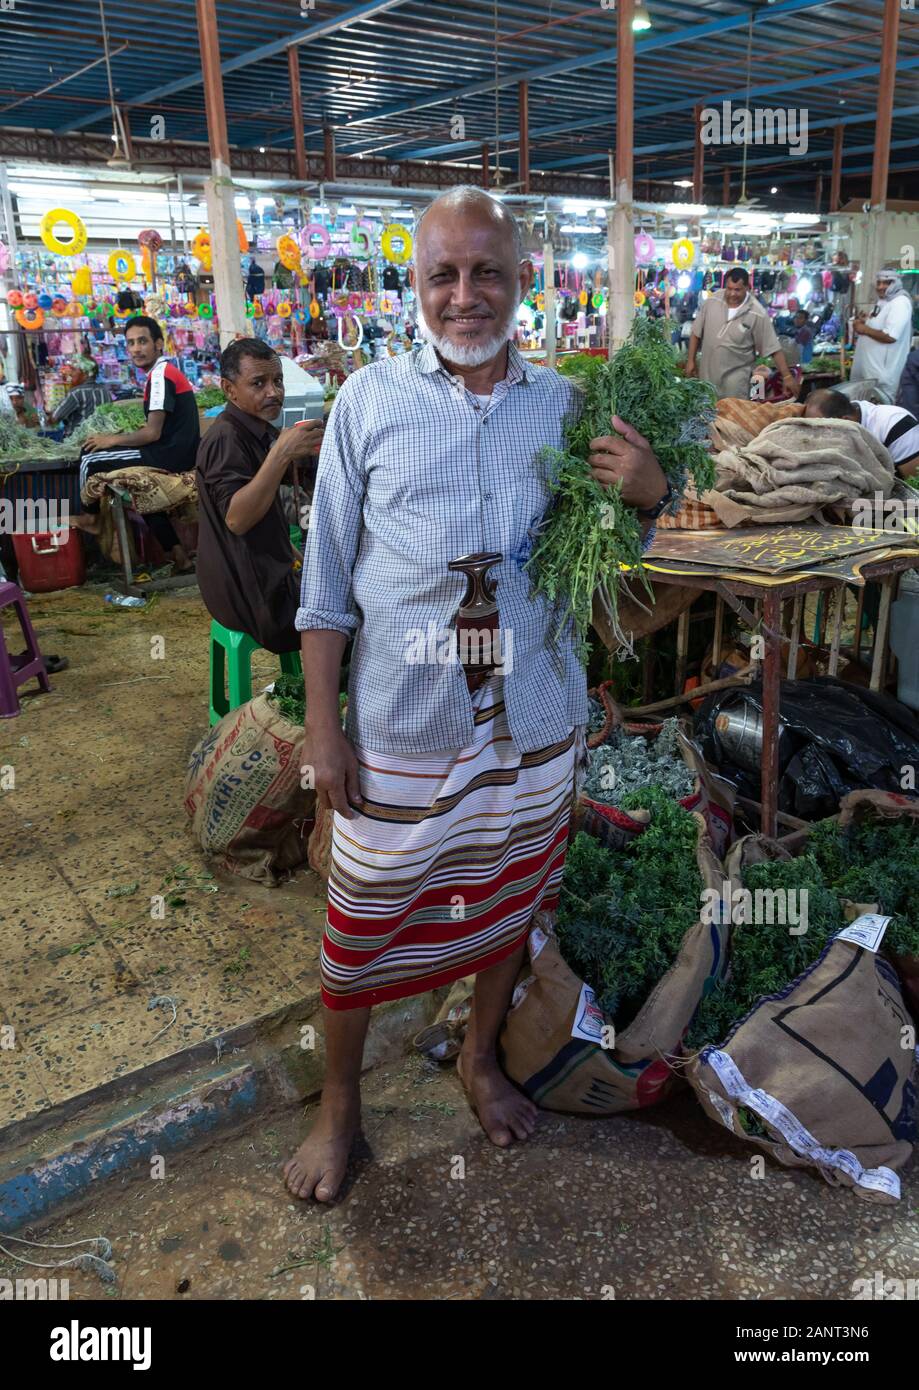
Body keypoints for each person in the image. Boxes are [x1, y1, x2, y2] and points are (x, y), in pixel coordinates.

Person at [283, 186, 672, 1204]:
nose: (465, 295)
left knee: (506, 908)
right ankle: (341, 1109)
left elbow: (612, 564)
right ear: (414, 285)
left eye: (486, 272)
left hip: (534, 719)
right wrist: (323, 728)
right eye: (442, 275)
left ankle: (481, 1057)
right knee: (361, 924)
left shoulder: (565, 407)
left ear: (520, 281)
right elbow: (323, 587)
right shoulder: (366, 401)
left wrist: (651, 493)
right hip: (402, 722)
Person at [195, 338, 324, 653]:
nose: (273, 392)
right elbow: (238, 519)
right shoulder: (226, 438)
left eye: (277, 381)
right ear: (229, 389)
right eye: (259, 383)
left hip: (256, 581)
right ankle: (334, 692)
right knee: (360, 611)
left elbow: (264, 521)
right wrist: (280, 453)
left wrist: (297, 556)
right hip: (253, 597)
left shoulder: (253, 431)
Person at [76, 316, 200, 571]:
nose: (136, 349)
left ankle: (91, 518)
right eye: (131, 343)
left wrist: (111, 439)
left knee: (89, 456)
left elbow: (152, 434)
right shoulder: (165, 373)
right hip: (177, 453)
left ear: (158, 344)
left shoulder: (160, 375)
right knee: (137, 488)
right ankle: (178, 555)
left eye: (142, 341)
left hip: (167, 456)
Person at [686, 266, 797, 400]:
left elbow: (773, 347)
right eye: (729, 289)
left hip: (735, 385)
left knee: (733, 418)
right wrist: (690, 360)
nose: (732, 293)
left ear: (747, 288)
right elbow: (696, 333)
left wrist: (787, 376)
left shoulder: (757, 313)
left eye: (737, 290)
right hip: (707, 378)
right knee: (706, 417)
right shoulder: (712, 301)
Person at [803, 388, 919, 479]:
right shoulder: (842, 422)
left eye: (821, 427)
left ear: (845, 420)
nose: (816, 434)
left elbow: (913, 480)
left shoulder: (894, 423)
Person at [850, 269, 914, 400]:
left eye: (886, 283)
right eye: (878, 283)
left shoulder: (900, 302)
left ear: (896, 283)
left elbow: (890, 336)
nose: (880, 287)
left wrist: (863, 329)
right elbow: (880, 324)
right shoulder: (884, 301)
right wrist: (866, 321)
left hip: (883, 375)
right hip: (871, 372)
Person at [50, 354, 112, 436]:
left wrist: (45, 419)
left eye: (74, 370)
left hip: (77, 442)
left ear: (86, 373)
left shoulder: (76, 392)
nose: (71, 374)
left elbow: (55, 418)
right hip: (102, 440)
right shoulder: (105, 391)